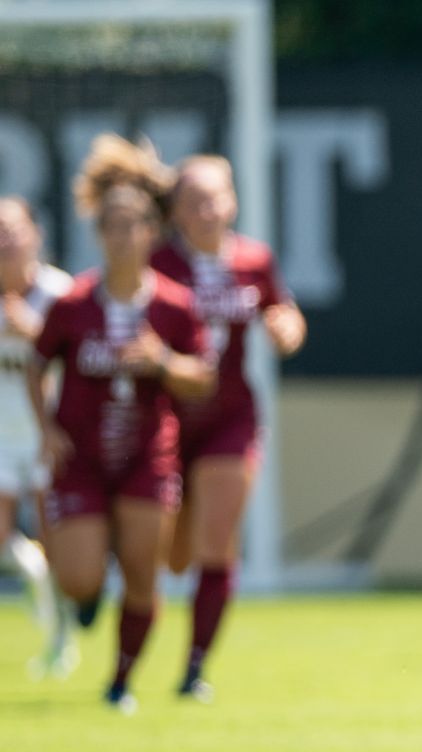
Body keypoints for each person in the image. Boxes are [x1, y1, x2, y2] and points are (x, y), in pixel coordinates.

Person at [28, 134, 215, 712]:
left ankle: (120, 682)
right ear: (99, 234)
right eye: (112, 226)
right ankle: (82, 596)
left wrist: (162, 362)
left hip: (146, 456)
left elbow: (202, 377)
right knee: (80, 578)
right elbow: (37, 362)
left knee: (142, 573)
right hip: (82, 457)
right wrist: (47, 428)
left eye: (134, 225)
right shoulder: (74, 302)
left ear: (152, 233)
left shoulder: (175, 306)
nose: (123, 236)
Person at [150, 154, 306, 701]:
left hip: (230, 416)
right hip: (164, 420)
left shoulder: (253, 259)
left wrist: (286, 326)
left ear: (234, 201)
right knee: (171, 554)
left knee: (218, 539)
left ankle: (195, 667)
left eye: (216, 198)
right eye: (194, 201)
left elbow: (281, 309)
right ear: (175, 211)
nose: (207, 210)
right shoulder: (157, 263)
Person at [0, 196, 75, 677]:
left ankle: (61, 638)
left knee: (61, 542)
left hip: (49, 434)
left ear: (35, 235)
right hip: (1, 436)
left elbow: (84, 362)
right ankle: (36, 581)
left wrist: (37, 335)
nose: (5, 239)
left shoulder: (60, 295)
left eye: (13, 228)